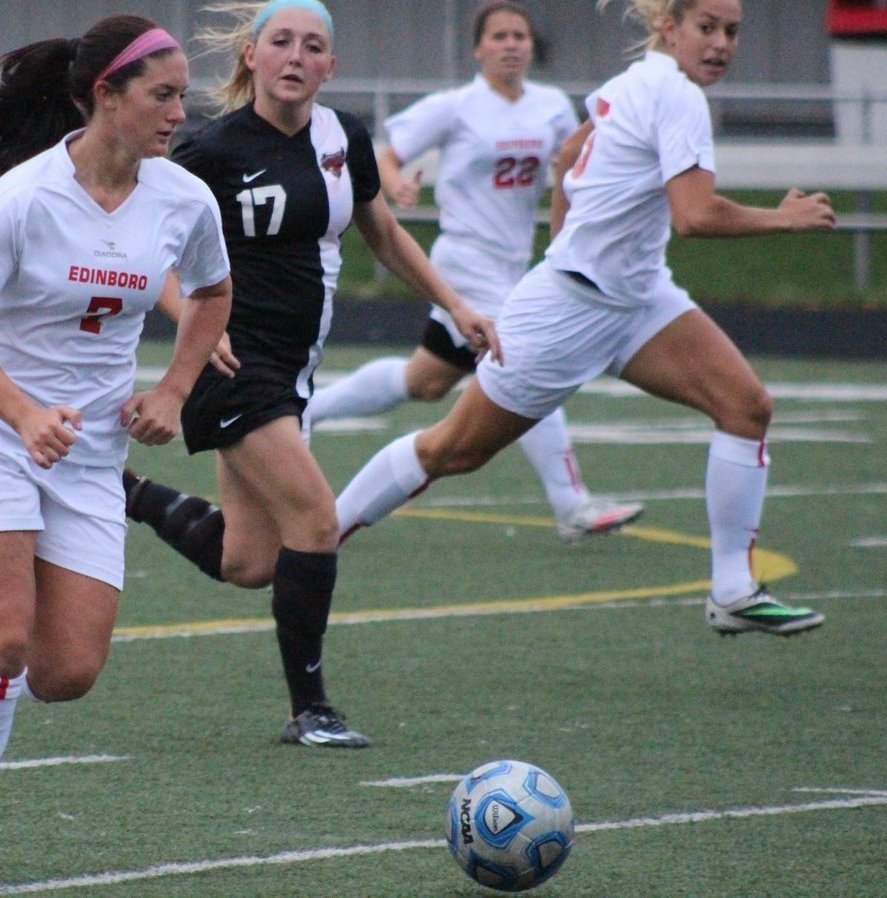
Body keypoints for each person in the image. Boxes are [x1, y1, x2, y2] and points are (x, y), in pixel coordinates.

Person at [0, 16, 231, 893]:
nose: (178, 112)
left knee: (66, 670)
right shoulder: (23, 197)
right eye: (162, 95)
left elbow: (213, 292)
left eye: (182, 95)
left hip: (89, 453)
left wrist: (172, 391)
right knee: (2, 642)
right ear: (104, 95)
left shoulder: (182, 199)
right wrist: (22, 412)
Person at [335, 0, 834, 636]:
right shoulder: (675, 96)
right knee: (450, 450)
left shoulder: (633, 83)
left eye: (731, 31)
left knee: (747, 408)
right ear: (669, 26)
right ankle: (320, 530)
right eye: (705, 27)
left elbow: (568, 156)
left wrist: (567, 242)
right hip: (570, 310)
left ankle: (733, 591)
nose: (720, 44)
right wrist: (783, 218)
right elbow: (695, 215)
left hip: (637, 298)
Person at [122, 0, 498, 750]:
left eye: (313, 46)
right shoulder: (215, 150)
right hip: (230, 365)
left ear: (330, 66)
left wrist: (455, 305)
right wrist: (203, 324)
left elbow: (382, 232)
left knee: (248, 561)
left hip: (290, 368)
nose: (295, 56)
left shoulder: (342, 137)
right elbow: (145, 247)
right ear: (252, 58)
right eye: (281, 42)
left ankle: (119, 489)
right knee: (316, 522)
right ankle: (312, 710)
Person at [305, 1, 645, 544]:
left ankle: (307, 412)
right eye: (500, 36)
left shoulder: (552, 106)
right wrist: (396, 185)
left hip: (514, 266)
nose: (512, 44)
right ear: (477, 48)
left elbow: (574, 164)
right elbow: (389, 156)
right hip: (463, 262)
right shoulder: (457, 106)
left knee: (424, 381)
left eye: (520, 35)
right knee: (525, 356)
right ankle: (571, 504)